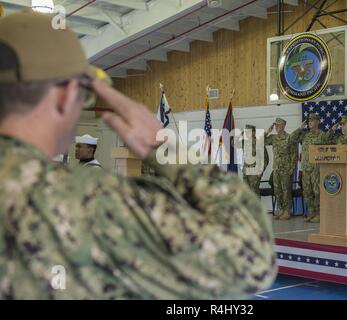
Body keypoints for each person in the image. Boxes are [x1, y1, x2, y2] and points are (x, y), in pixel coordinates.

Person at [0, 11, 276, 299]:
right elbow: (249, 260)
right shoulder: (90, 201)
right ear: (66, 95)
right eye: (86, 95)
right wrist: (165, 149)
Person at [290, 113, 334, 223]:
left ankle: (319, 214)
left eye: (313, 120)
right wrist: (300, 128)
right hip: (306, 168)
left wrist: (332, 130)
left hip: (317, 168)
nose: (310, 122)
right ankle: (312, 213)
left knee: (317, 192)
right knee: (307, 192)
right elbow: (291, 139)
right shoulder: (305, 135)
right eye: (309, 120)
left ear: (318, 122)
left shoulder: (322, 135)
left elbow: (329, 138)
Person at [264, 118, 298, 220]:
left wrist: (292, 168)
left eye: (278, 125)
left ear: (283, 125)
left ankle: (287, 211)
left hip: (286, 169)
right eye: (275, 125)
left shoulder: (289, 138)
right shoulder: (273, 138)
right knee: (277, 190)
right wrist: (267, 131)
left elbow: (294, 154)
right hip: (277, 169)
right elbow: (262, 141)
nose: (276, 127)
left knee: (286, 190)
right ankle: (281, 210)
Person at [239, 124, 269, 195]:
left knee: (254, 193)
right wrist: (240, 135)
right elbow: (232, 143)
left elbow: (265, 159)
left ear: (253, 132)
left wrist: (260, 171)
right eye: (245, 132)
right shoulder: (244, 142)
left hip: (255, 173)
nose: (246, 133)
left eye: (248, 132)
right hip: (246, 172)